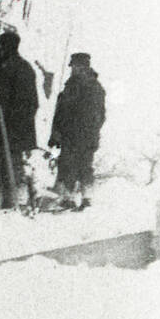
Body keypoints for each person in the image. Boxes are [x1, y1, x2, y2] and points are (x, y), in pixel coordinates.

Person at [48, 53, 106, 209]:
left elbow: (66, 111)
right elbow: (101, 116)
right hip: (86, 136)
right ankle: (85, 198)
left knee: (69, 165)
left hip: (74, 135)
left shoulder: (77, 86)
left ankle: (70, 198)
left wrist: (64, 131)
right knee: (84, 166)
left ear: (82, 67)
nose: (72, 69)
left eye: (75, 66)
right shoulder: (95, 87)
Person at [0, 30, 39, 208]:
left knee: (11, 165)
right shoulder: (17, 66)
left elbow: (5, 101)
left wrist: (6, 125)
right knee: (5, 164)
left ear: (7, 46)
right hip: (11, 126)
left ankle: (16, 203)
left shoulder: (12, 68)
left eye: (2, 46)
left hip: (11, 127)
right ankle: (8, 202)